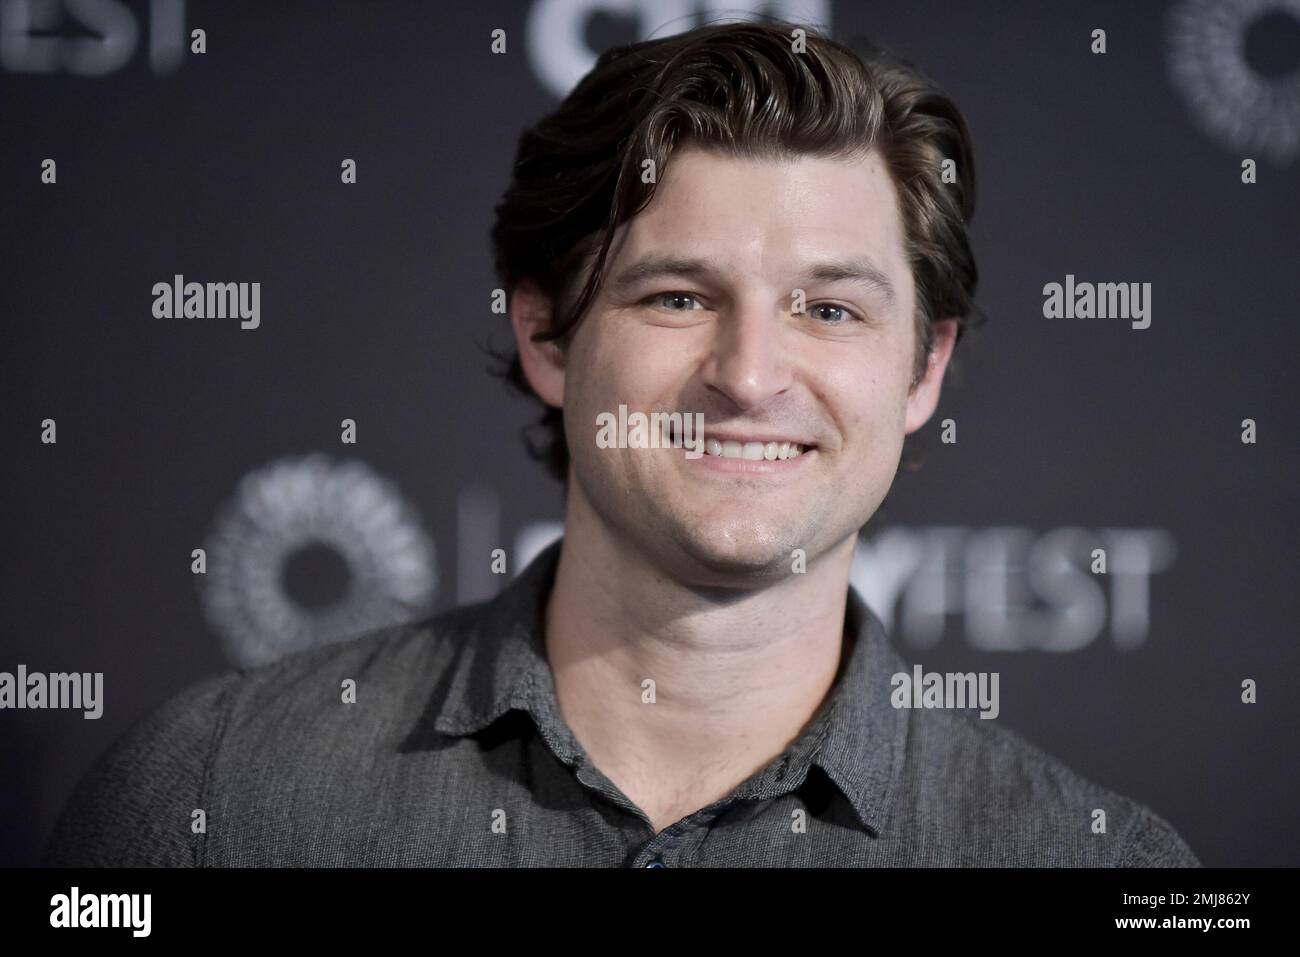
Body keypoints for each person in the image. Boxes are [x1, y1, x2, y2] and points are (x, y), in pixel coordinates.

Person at [45, 19, 1198, 867]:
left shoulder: (1098, 865)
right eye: (676, 298)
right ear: (547, 336)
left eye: (829, 308)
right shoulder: (210, 803)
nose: (748, 376)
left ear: (924, 367)